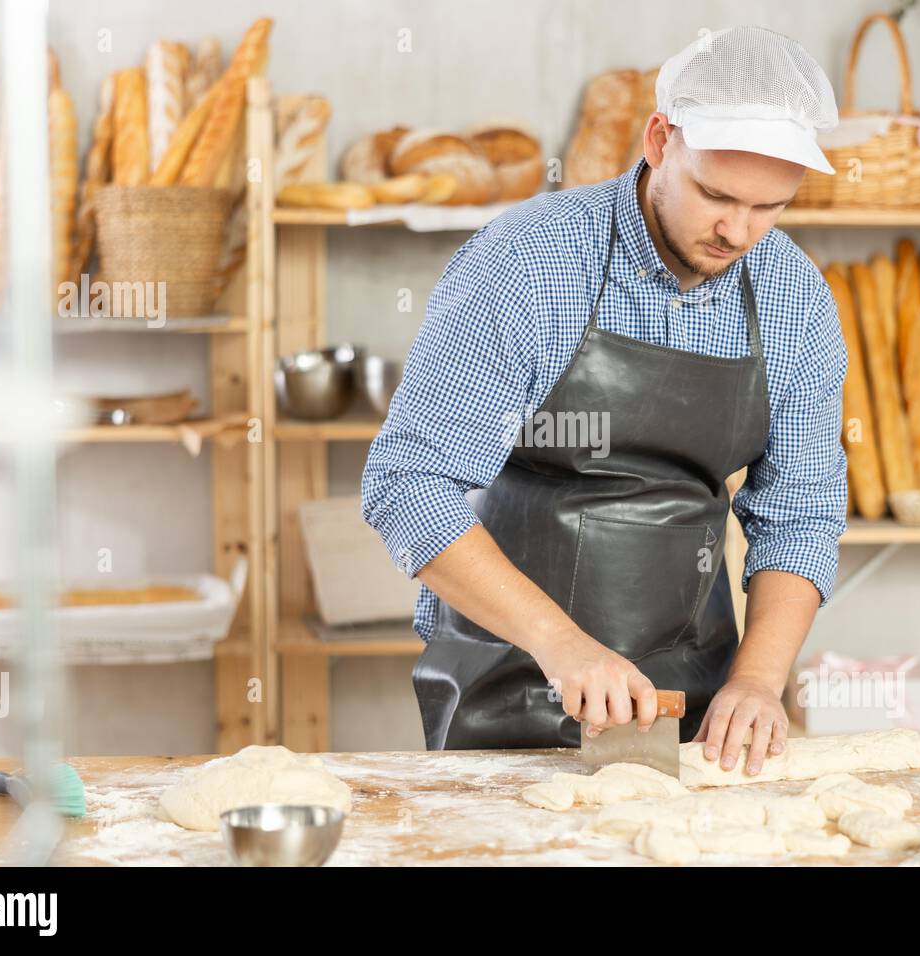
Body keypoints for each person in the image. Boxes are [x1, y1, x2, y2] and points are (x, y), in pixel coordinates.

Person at [362, 26, 847, 776]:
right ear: (659, 139)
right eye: (716, 195)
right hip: (508, 682)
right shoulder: (526, 259)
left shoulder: (794, 296)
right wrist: (563, 646)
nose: (737, 230)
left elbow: (801, 513)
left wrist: (756, 680)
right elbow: (407, 484)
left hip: (693, 699)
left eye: (769, 208)